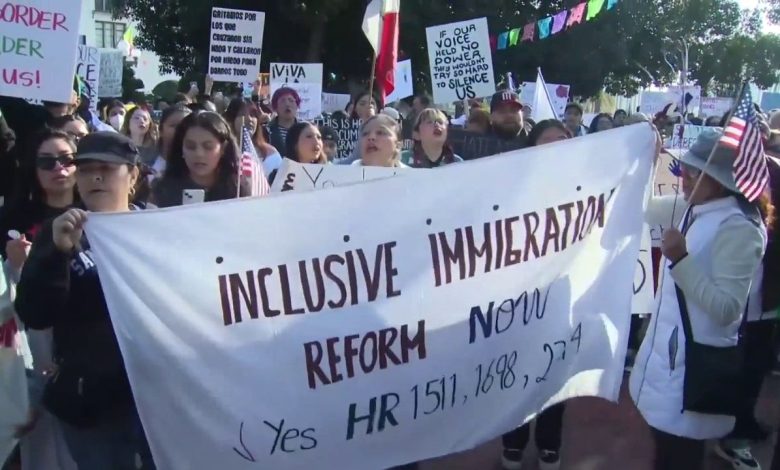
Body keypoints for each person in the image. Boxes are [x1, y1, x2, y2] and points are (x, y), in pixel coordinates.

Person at [15, 131, 156, 470]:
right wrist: (57, 255)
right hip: (92, 401)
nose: (95, 177)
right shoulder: (59, 231)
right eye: (86, 169)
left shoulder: (158, 226)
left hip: (155, 396)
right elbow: (35, 313)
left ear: (133, 175)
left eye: (107, 169)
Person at [629, 129, 769, 470]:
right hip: (670, 358)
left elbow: (727, 309)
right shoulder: (699, 208)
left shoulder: (739, 227)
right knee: (664, 452)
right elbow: (643, 208)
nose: (685, 178)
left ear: (721, 181)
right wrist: (648, 162)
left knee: (678, 457)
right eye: (686, 169)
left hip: (691, 366)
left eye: (695, 172)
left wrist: (680, 260)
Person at [0, 129, 78, 470]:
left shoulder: (98, 212)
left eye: (66, 159)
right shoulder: (14, 220)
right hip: (31, 347)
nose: (58, 168)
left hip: (81, 346)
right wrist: (14, 267)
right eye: (47, 162)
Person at [500, 119, 573, 470]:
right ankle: (513, 441)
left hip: (562, 291)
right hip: (519, 294)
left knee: (553, 369)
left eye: (565, 139)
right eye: (549, 139)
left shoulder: (586, 181)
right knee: (516, 370)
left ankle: (549, 443)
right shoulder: (513, 184)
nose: (558, 144)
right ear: (532, 146)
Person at [152, 111, 248, 207]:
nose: (199, 154)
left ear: (223, 148)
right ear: (181, 148)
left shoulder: (239, 189)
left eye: (208, 147)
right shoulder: (161, 190)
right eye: (190, 146)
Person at [223, 98, 282, 175]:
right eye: (242, 114)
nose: (249, 119)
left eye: (253, 115)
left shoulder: (270, 154)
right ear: (231, 120)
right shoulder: (221, 152)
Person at [150, 104, 192, 179]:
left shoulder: (198, 168)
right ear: (161, 130)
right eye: (174, 125)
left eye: (186, 126)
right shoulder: (146, 165)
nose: (181, 130)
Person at [267, 88, 301, 157]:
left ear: (297, 106)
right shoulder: (266, 131)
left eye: (291, 100)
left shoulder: (305, 130)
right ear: (275, 107)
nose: (287, 104)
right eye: (282, 101)